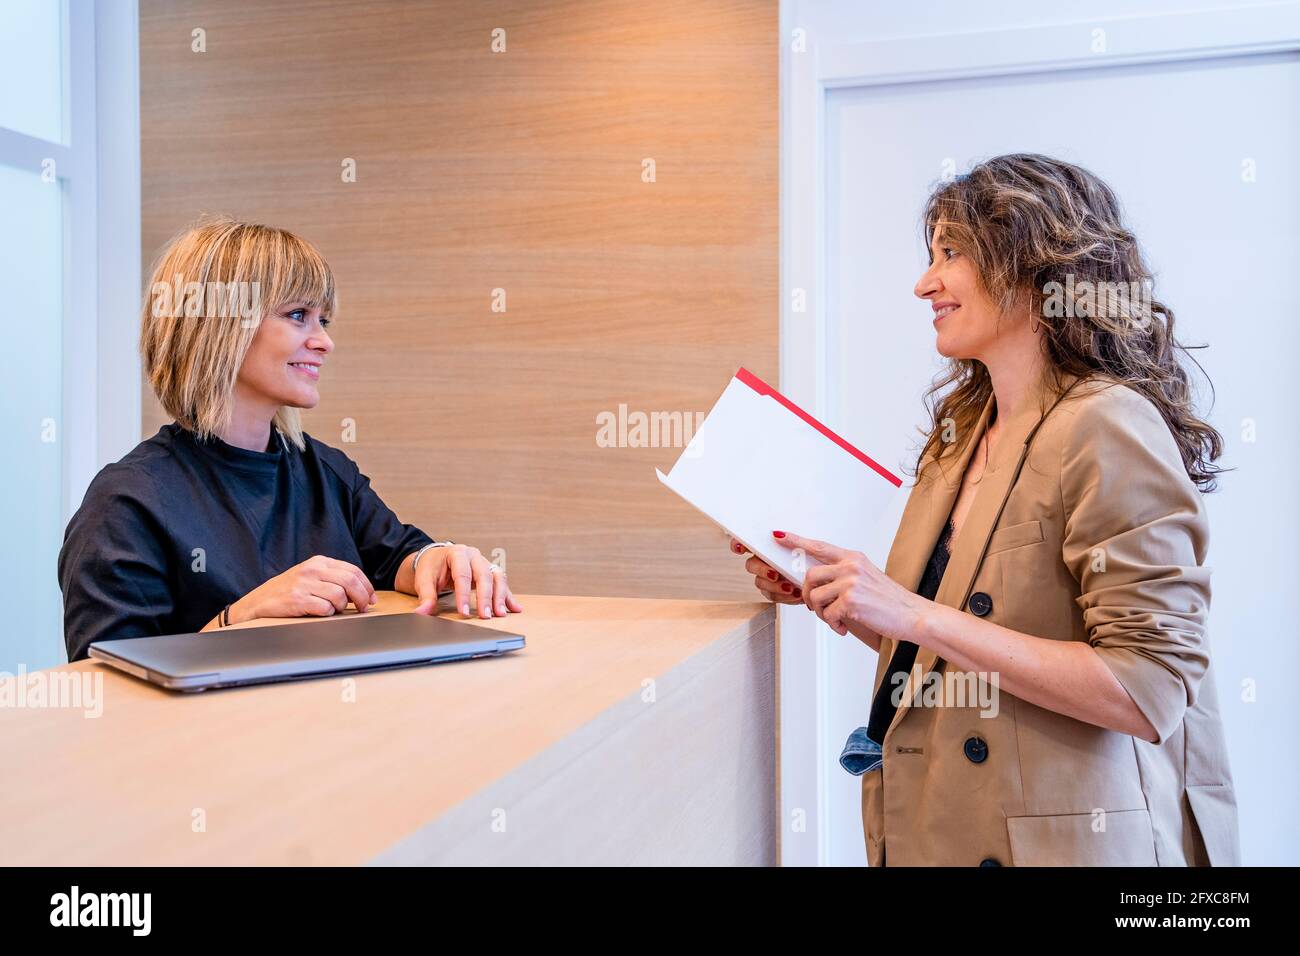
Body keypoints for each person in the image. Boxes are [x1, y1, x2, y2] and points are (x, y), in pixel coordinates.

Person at [730, 154, 1239, 866]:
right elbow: (955, 650)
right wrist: (844, 595)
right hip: (944, 827)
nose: (923, 282)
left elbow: (1147, 687)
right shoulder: (959, 437)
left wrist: (909, 612)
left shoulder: (1106, 422)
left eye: (951, 252)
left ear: (1034, 261)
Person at [59, 218, 521, 663]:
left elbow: (397, 555)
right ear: (219, 328)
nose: (324, 342)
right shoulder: (127, 504)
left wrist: (440, 559)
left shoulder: (326, 472)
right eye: (298, 315)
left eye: (324, 320)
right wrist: (236, 619)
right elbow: (107, 685)